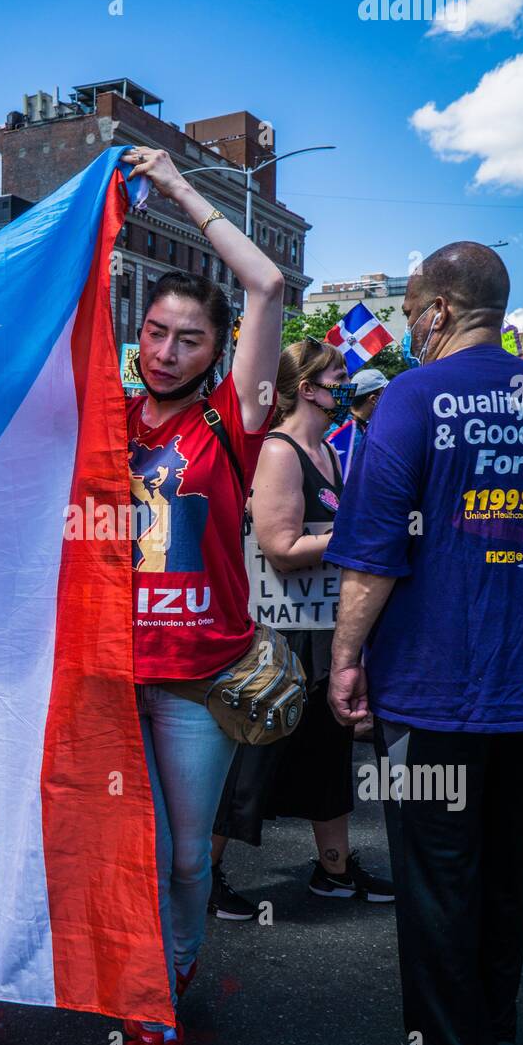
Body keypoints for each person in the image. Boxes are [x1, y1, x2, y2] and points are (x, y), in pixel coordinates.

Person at [325, 242, 523, 1045]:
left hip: (432, 693)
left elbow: (373, 552)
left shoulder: (412, 399)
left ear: (439, 310)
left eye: (412, 307)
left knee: (437, 883)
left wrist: (345, 658)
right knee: (502, 873)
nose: (410, 325)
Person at [111, 145, 283, 1045]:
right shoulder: (103, 416)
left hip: (194, 683)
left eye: (188, 338)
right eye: (155, 332)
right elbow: (10, 349)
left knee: (182, 859)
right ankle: (146, 1024)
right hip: (104, 675)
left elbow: (266, 284)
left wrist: (177, 187)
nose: (167, 351)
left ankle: (164, 1006)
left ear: (216, 352)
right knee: (119, 852)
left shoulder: (230, 419)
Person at [210, 339, 394, 919]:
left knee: (327, 757)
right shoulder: (280, 451)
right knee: (251, 762)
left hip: (323, 629)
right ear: (309, 388)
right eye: (337, 375)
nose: (347, 383)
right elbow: (281, 548)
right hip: (277, 637)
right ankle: (199, 876)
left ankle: (333, 870)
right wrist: (361, 533)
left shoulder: (328, 455)